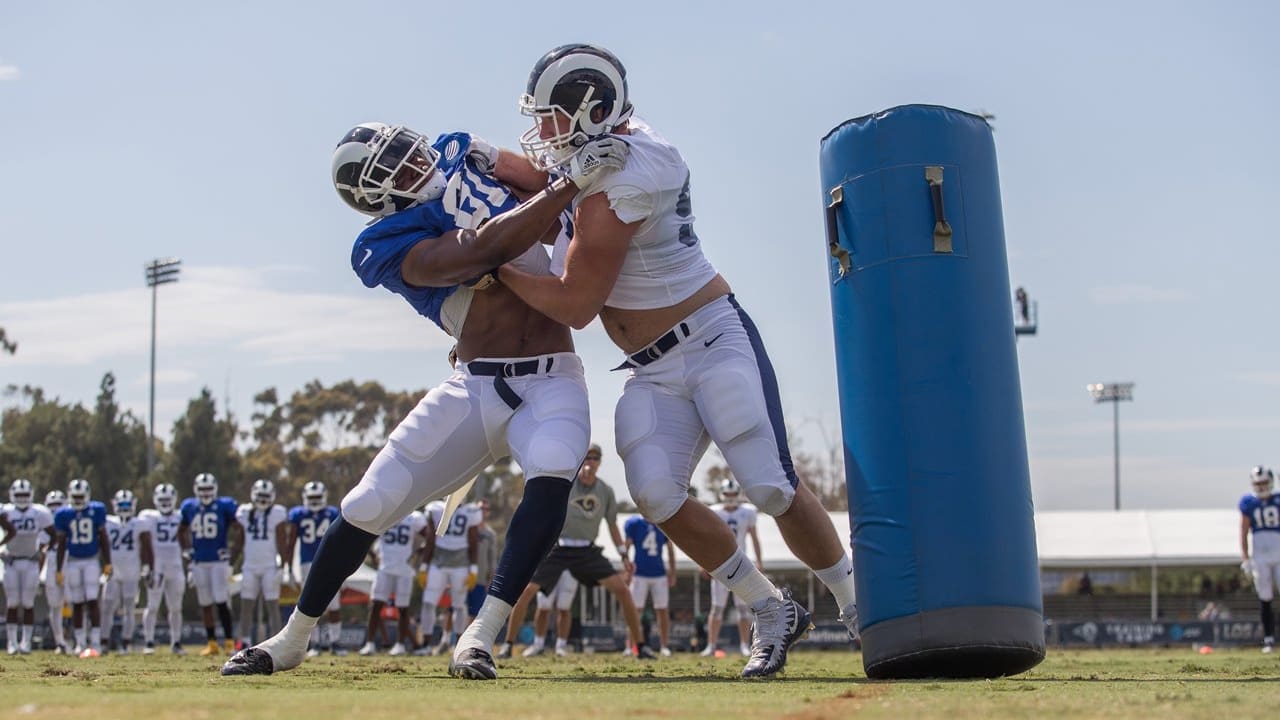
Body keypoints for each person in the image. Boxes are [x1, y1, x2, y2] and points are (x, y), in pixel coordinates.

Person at [499, 43, 859, 678]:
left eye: (553, 115)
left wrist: (492, 265)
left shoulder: (638, 168)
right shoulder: (599, 154)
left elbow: (576, 303)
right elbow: (547, 183)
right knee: (655, 493)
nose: (543, 131)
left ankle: (859, 606)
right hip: (651, 365)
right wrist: (486, 157)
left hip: (712, 338)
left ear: (595, 110)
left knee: (770, 485)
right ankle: (770, 609)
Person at [222, 120, 627, 680]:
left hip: (553, 374)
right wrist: (567, 185)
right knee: (367, 504)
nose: (415, 163)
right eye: (395, 167)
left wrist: (549, 176)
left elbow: (531, 178)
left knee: (555, 466)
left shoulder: (455, 152)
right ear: (377, 197)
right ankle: (293, 639)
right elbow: (479, 251)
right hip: (476, 385)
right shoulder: (383, 245)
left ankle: (480, 636)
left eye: (407, 151)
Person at [499, 444, 652, 659]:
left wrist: (624, 555)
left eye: (594, 458)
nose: (590, 463)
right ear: (580, 461)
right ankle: (508, 644)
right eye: (586, 458)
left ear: (599, 463)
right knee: (526, 592)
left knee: (623, 591)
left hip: (586, 551)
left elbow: (612, 525)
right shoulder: (566, 485)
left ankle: (641, 646)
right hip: (558, 547)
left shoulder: (605, 491)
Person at [178, 473, 242, 656]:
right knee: (205, 603)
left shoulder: (224, 506)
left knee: (221, 601)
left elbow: (240, 530)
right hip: (199, 561)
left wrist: (233, 556)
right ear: (196, 490)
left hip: (218, 561)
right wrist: (187, 552)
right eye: (202, 489)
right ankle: (212, 643)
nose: (205, 493)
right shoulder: (189, 507)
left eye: (208, 489)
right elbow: (181, 531)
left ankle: (229, 642)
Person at [702, 478, 762, 658]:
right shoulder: (714, 512)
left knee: (743, 608)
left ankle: (745, 644)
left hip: (740, 563)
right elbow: (708, 539)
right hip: (720, 563)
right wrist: (704, 561)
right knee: (716, 608)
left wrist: (759, 561)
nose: (729, 498)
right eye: (727, 494)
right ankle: (711, 645)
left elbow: (754, 537)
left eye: (732, 494)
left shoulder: (747, 512)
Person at [53, 478, 111, 657]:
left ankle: (95, 643)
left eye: (81, 496)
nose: (78, 500)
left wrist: (107, 562)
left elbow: (103, 539)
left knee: (92, 600)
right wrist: (58, 568)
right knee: (77, 602)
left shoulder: (97, 510)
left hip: (91, 560)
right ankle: (79, 643)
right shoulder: (64, 513)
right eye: (75, 496)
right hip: (73, 561)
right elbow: (61, 543)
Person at [286, 481, 344, 656]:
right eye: (312, 497)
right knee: (311, 603)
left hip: (330, 560)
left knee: (334, 604)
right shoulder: (298, 514)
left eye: (317, 497)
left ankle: (335, 641)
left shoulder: (333, 512)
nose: (314, 501)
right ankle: (315, 643)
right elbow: (292, 541)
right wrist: (289, 568)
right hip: (307, 563)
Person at [359, 508, 428, 656]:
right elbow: (365, 534)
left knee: (403, 608)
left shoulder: (414, 517)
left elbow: (429, 537)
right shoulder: (384, 513)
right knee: (376, 604)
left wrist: (418, 552)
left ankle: (400, 644)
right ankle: (370, 643)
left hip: (404, 568)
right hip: (385, 566)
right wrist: (372, 554)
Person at [418, 498, 481, 656]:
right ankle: (426, 643)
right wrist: (424, 565)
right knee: (428, 602)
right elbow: (430, 539)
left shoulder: (471, 511)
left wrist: (473, 568)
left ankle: (459, 643)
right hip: (438, 563)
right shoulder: (436, 508)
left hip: (460, 564)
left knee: (459, 605)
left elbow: (473, 541)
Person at [1, 479, 57, 654]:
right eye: (19, 495)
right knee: (12, 603)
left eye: (25, 495)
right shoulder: (6, 511)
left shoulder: (39, 512)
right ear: (12, 495)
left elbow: (53, 535)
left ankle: (26, 642)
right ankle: (12, 642)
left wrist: (43, 550)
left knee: (27, 603)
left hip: (30, 560)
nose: (22, 498)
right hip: (11, 560)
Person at [236, 479, 290, 648]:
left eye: (266, 496)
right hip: (250, 566)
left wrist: (284, 567)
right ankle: (243, 640)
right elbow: (239, 541)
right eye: (260, 495)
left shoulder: (277, 513)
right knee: (246, 605)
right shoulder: (244, 512)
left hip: (269, 566)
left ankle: (277, 642)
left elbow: (282, 542)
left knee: (272, 605)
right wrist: (231, 564)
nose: (263, 499)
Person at [100, 489, 154, 654]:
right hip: (113, 571)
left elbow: (147, 547)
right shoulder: (108, 522)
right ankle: (104, 641)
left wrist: (147, 567)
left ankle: (125, 642)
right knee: (107, 606)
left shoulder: (139, 523)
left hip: (132, 570)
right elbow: (101, 545)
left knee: (129, 607)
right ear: (114, 505)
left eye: (127, 505)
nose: (124, 508)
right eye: (121, 504)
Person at [139, 483, 186, 654]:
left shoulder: (181, 515)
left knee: (176, 608)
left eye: (168, 499)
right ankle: (149, 641)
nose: (165, 503)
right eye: (162, 499)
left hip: (175, 566)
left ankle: (176, 642)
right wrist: (146, 567)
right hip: (157, 567)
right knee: (152, 606)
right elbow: (144, 542)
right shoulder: (148, 516)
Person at [623, 512, 676, 656]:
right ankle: (629, 646)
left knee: (662, 610)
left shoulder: (662, 520)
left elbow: (670, 549)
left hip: (658, 573)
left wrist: (672, 572)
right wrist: (627, 570)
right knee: (635, 611)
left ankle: (664, 646)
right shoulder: (634, 522)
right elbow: (626, 546)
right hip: (639, 573)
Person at [1240, 466, 1280, 653]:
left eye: (1264, 482)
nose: (1262, 487)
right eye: (1258, 483)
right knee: (1265, 598)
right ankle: (1269, 639)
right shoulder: (1249, 502)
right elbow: (1243, 530)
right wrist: (1245, 558)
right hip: (1261, 556)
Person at [39, 489, 69, 652]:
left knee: (77, 602)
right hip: (52, 564)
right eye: (52, 505)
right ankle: (60, 642)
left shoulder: (70, 520)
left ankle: (82, 641)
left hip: (69, 562)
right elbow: (41, 548)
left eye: (58, 505)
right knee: (54, 606)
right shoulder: (45, 526)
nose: (55, 508)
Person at [466, 500, 498, 625]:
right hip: (463, 576)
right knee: (456, 609)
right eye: (480, 508)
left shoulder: (490, 534)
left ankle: (466, 642)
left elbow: (492, 559)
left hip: (479, 580)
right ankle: (447, 639)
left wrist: (491, 580)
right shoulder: (467, 529)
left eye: (486, 509)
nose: (483, 511)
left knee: (475, 613)